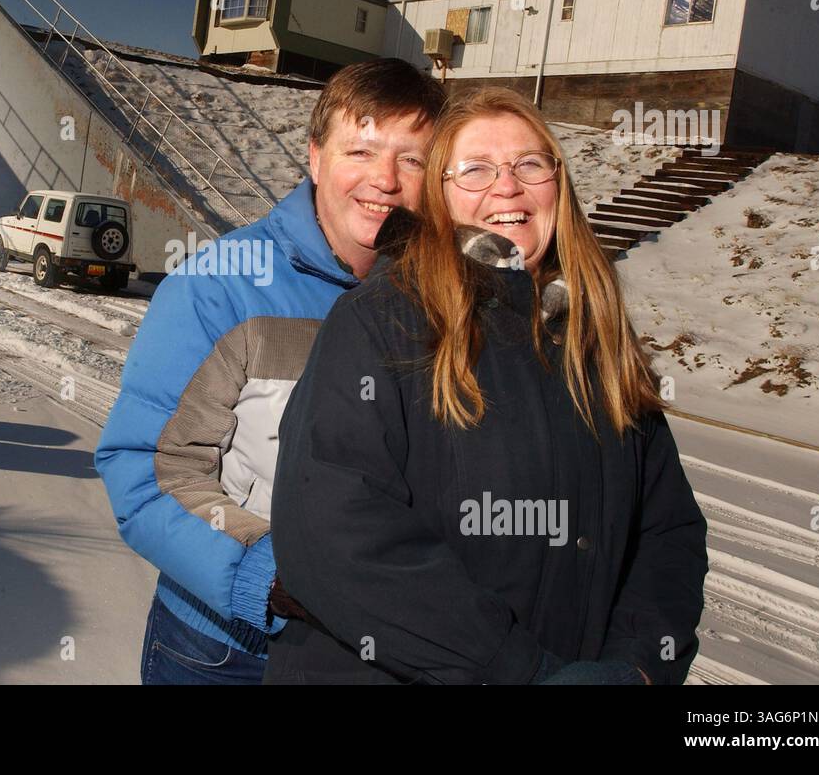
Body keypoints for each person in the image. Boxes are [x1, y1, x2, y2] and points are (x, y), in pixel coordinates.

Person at [265, 86, 708, 685]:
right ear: (439, 199)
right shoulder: (382, 322)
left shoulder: (595, 338)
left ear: (559, 184)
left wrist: (638, 667)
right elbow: (336, 536)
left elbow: (666, 533)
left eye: (531, 163)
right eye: (475, 169)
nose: (507, 186)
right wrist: (520, 673)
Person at [95, 59, 448, 684]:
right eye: (359, 150)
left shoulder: (445, 300)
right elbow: (147, 473)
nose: (385, 180)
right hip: (226, 650)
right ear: (315, 158)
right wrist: (273, 578)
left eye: (412, 159)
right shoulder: (221, 286)